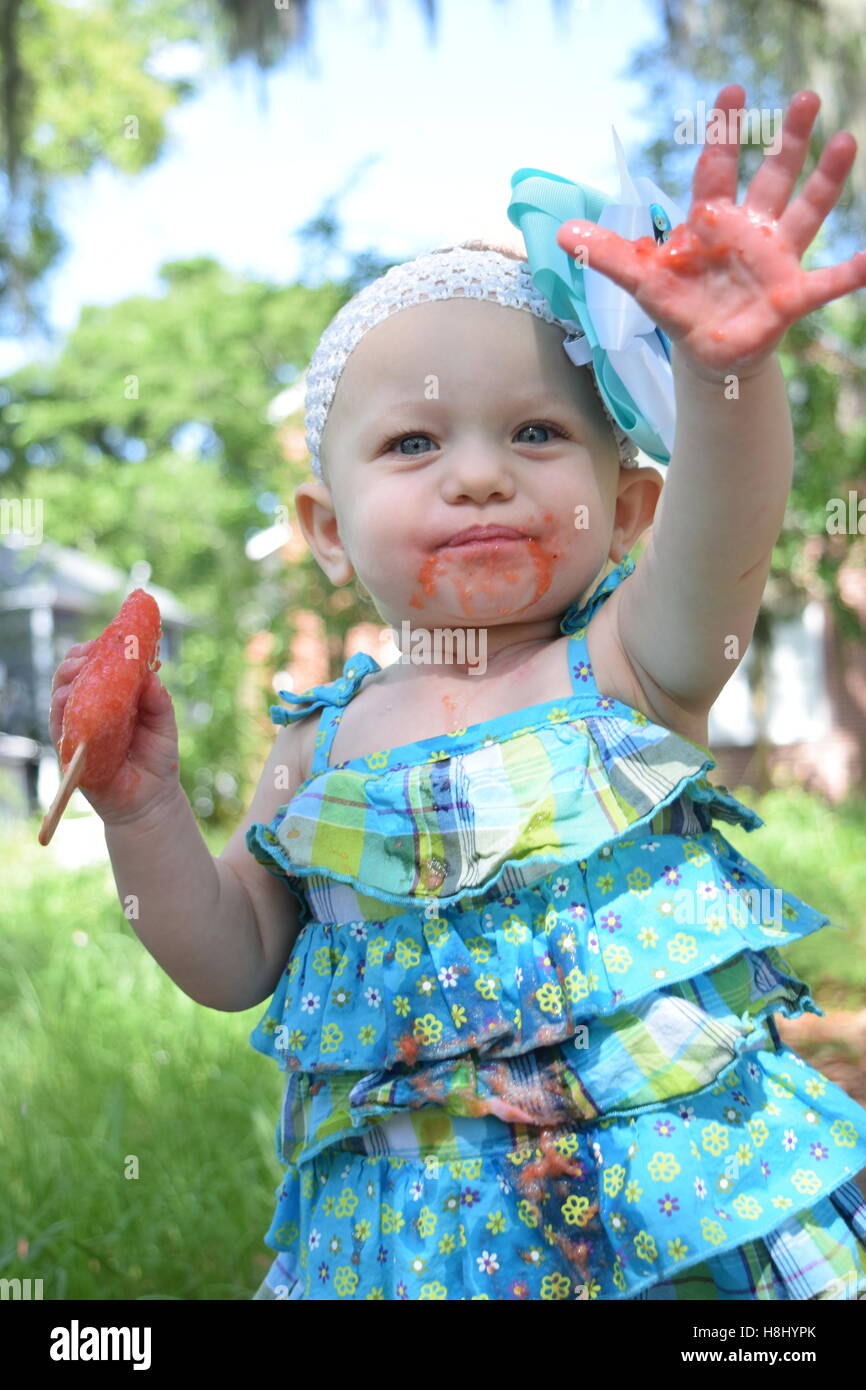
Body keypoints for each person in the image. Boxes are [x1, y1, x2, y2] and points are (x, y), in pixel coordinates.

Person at [49, 84, 866, 1301]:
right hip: (413, 1249)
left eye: (536, 433)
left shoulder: (632, 662)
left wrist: (724, 379)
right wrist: (139, 809)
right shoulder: (319, 744)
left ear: (629, 507)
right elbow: (227, 961)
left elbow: (728, 527)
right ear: (328, 531)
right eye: (414, 445)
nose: (478, 474)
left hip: (662, 1225)